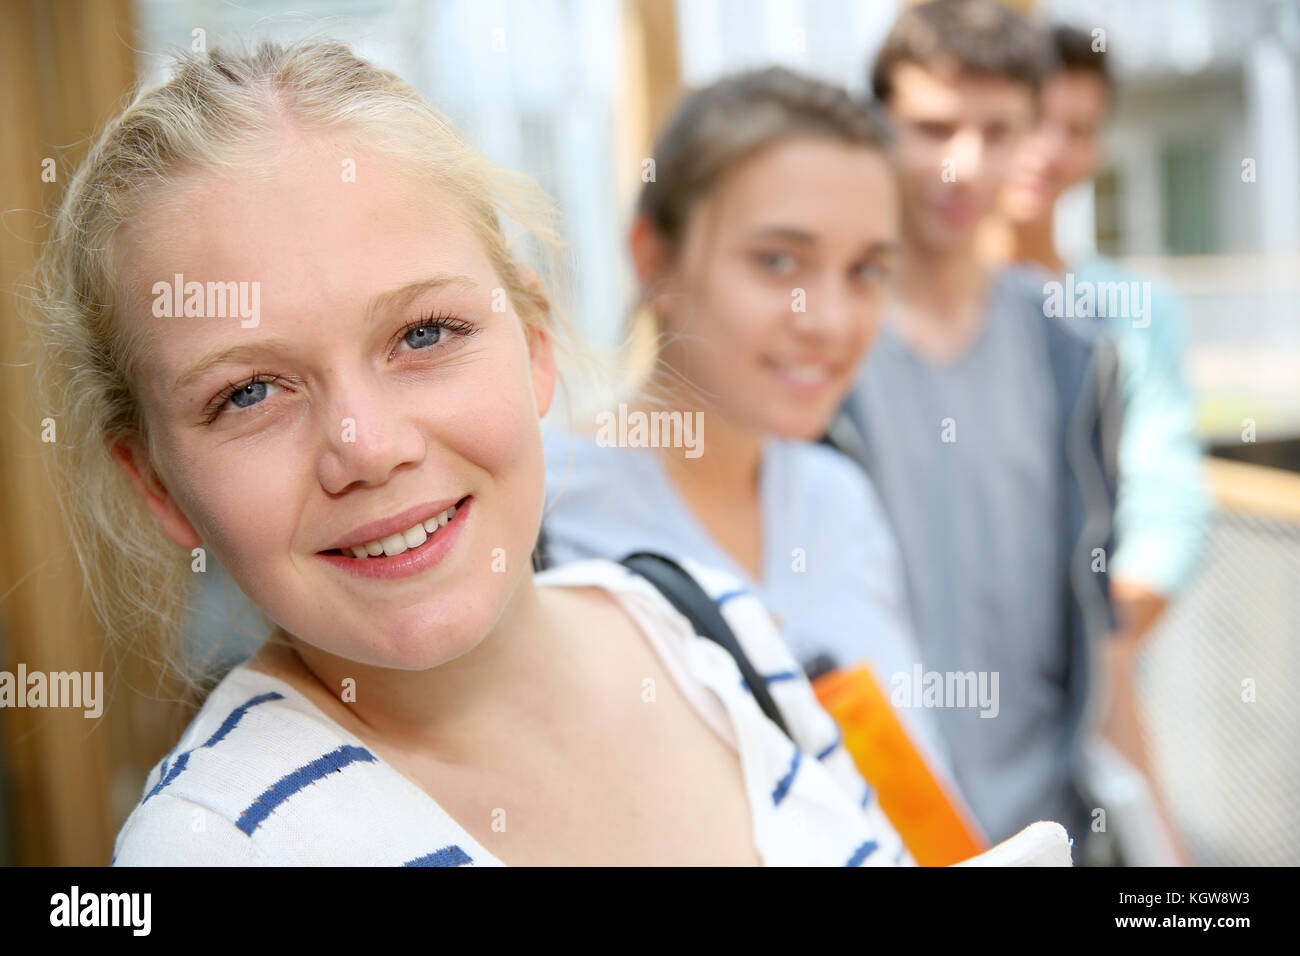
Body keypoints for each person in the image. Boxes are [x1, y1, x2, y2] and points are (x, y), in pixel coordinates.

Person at [33, 40, 909, 866]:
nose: (369, 448)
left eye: (424, 333)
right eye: (249, 393)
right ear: (158, 487)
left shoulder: (713, 633)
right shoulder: (213, 846)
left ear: (534, 344)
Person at [540, 67, 958, 785]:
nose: (829, 320)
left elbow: (917, 791)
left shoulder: (838, 499)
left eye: (866, 271)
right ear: (654, 260)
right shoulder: (542, 510)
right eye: (778, 261)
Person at [835, 0, 1121, 854]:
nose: (963, 164)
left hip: (1043, 825)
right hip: (870, 823)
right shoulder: (811, 353)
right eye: (931, 127)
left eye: (997, 131)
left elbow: (1094, 616)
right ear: (878, 125)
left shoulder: (1074, 348)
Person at [979, 24, 1210, 862]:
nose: (1048, 150)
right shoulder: (917, 315)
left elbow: (1169, 502)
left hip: (1092, 705)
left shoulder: (1130, 313)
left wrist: (1089, 652)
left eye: (1077, 129)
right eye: (1030, 119)